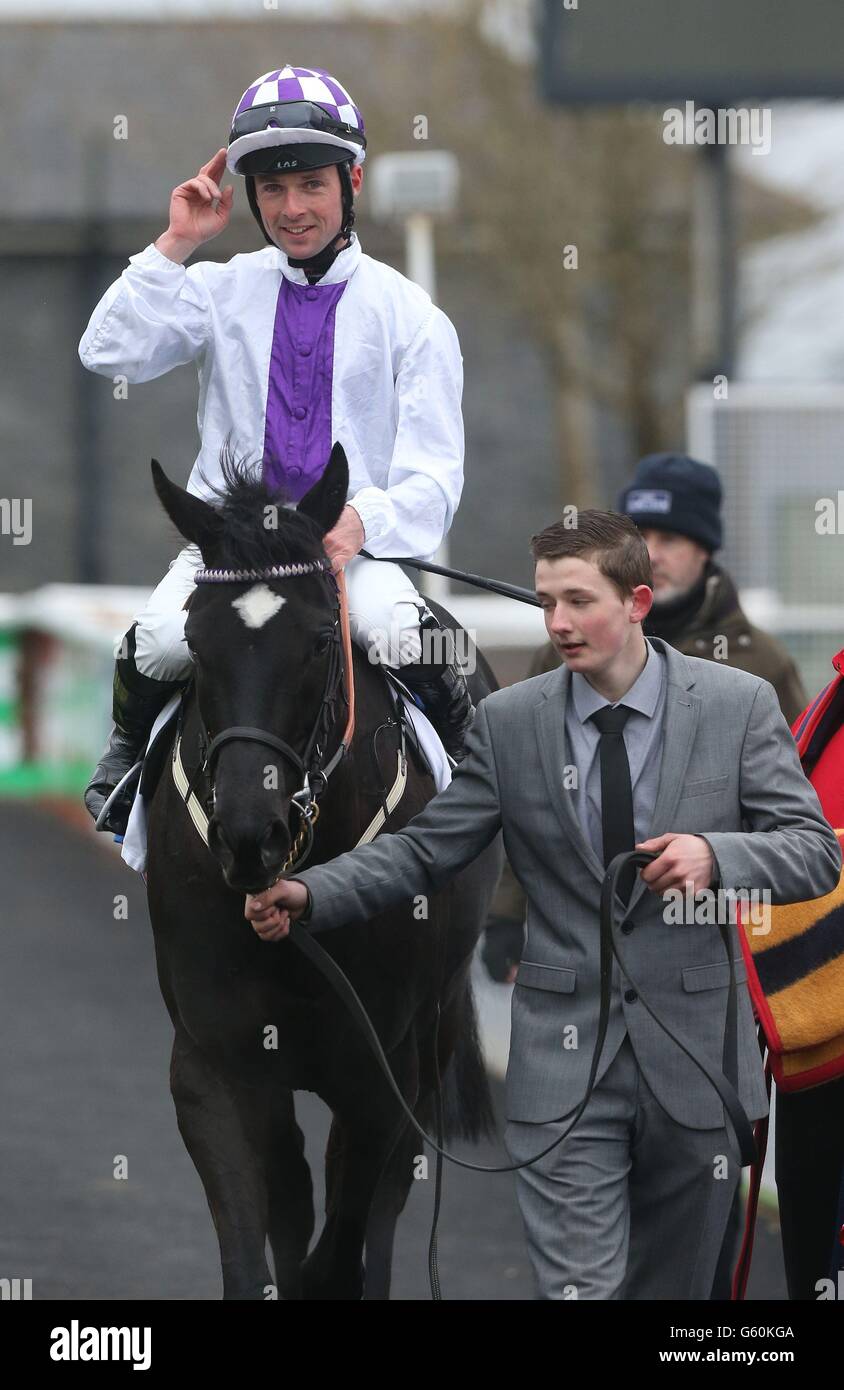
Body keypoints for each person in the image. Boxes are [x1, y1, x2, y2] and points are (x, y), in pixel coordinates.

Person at [242, 509, 840, 1300]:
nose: (558, 622)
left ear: (637, 600)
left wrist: (717, 856)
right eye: (545, 601)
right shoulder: (510, 721)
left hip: (700, 1069)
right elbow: (428, 849)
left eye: (579, 601)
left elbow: (816, 852)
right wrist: (311, 891)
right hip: (563, 1071)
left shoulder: (739, 705)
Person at [79, 64, 472, 835]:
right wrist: (174, 245)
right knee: (155, 642)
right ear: (251, 197)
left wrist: (360, 523)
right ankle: (125, 758)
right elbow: (107, 350)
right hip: (227, 552)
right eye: (272, 190)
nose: (292, 209)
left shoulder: (413, 318)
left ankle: (475, 791)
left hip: (348, 552)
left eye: (312, 186)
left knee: (410, 638)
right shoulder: (220, 288)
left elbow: (435, 478)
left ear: (351, 180)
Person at [484, 453, 807, 984]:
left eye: (671, 539)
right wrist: (505, 916)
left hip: (717, 957)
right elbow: (530, 802)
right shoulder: (566, 652)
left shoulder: (759, 665)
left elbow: (797, 825)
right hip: (585, 966)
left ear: (705, 548)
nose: (652, 553)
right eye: (643, 535)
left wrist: (721, 865)